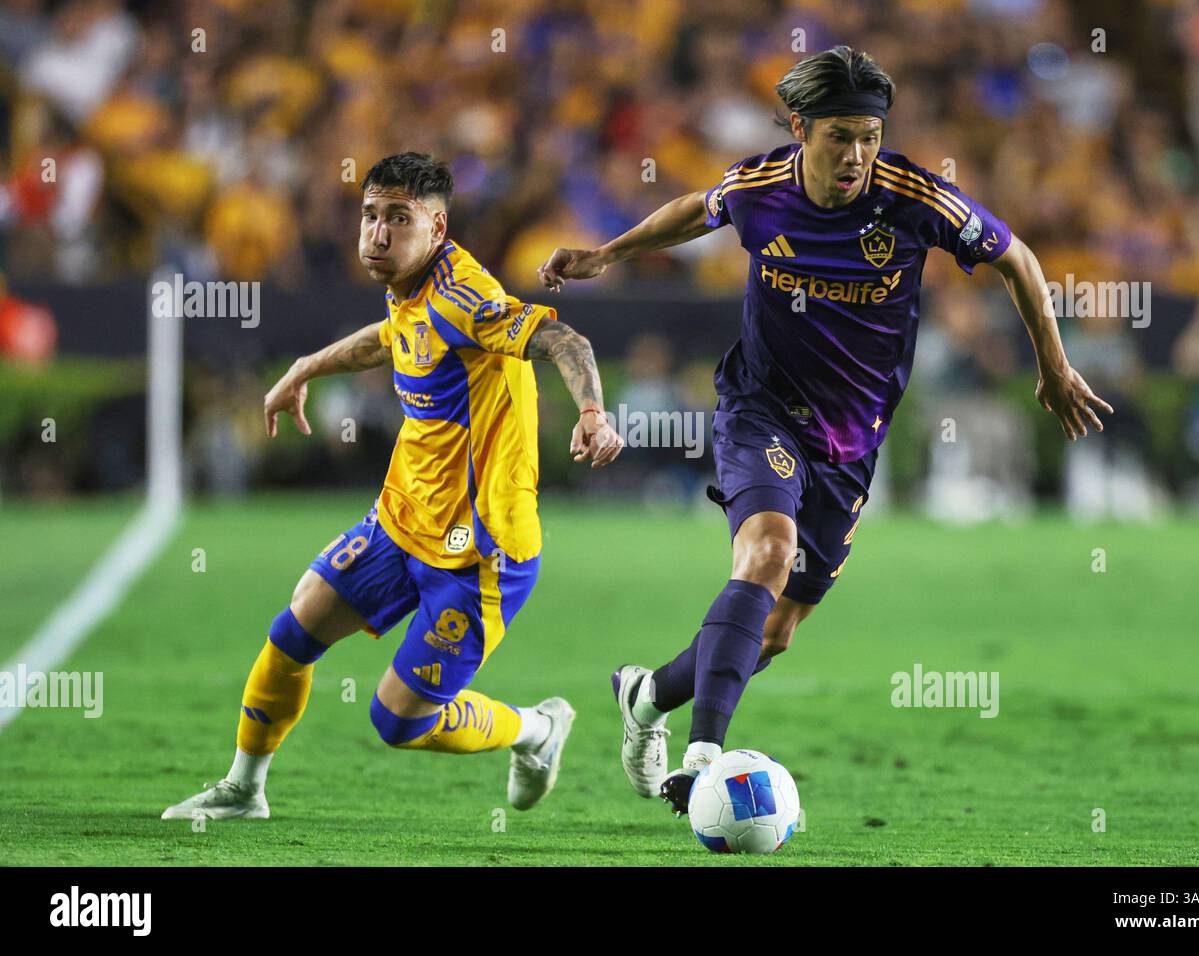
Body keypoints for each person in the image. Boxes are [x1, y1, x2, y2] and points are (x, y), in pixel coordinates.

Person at [538, 46, 1113, 814]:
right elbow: (698, 209)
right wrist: (607, 254)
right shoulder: (759, 188)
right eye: (840, 136)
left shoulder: (915, 199)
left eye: (870, 137)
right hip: (762, 409)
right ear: (801, 129)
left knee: (776, 631)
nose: (857, 155)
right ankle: (704, 757)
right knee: (767, 553)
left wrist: (1054, 365)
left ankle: (645, 699)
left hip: (852, 440)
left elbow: (1020, 260)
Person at [163, 152, 623, 820]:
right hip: (401, 519)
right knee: (294, 629)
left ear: (437, 229)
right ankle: (244, 788)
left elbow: (563, 339)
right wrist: (307, 367)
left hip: (480, 549)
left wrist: (592, 413)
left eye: (398, 219)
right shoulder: (410, 287)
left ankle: (536, 729)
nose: (378, 233)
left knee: (398, 720)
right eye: (370, 215)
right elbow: (391, 338)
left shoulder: (468, 299)